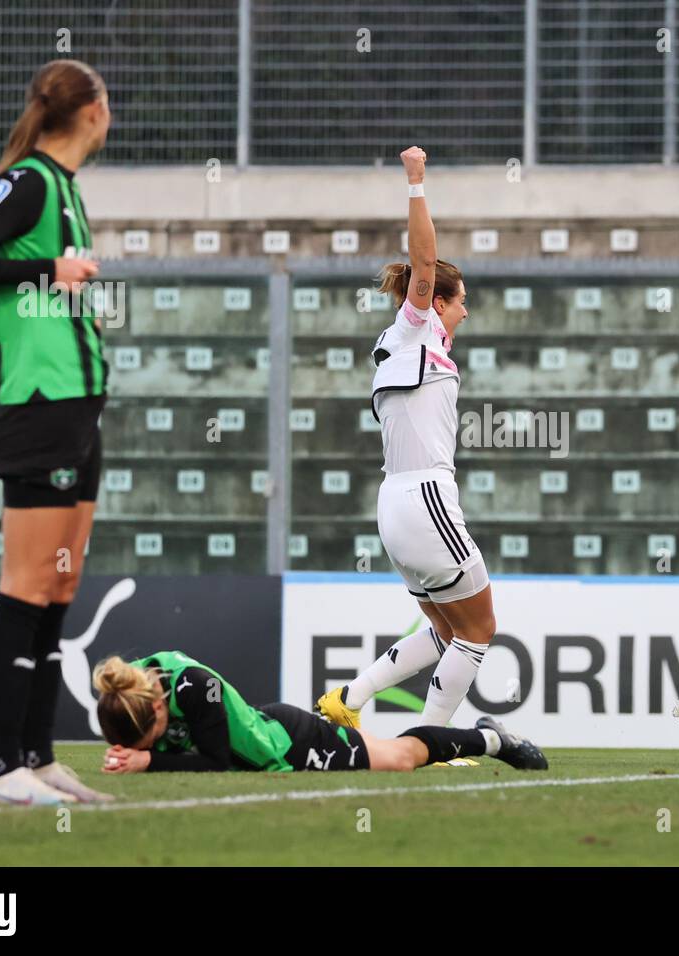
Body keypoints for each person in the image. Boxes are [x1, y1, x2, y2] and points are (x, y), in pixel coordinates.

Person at [0, 60, 111, 806]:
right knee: (26, 584)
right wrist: (50, 269)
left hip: (78, 405)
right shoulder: (31, 181)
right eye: (107, 102)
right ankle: (2, 767)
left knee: (60, 584)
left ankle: (37, 758)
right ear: (92, 113)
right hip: (37, 406)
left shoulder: (65, 187)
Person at [316, 146, 497, 731]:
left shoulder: (404, 344)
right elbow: (424, 261)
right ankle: (433, 738)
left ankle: (350, 698)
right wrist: (416, 182)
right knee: (478, 630)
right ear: (436, 303)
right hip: (424, 498)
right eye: (461, 301)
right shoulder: (417, 328)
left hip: (394, 502)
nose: (465, 313)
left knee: (446, 629)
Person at [95, 651, 547, 774]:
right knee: (394, 751)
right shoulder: (128, 689)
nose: (154, 742)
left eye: (153, 734)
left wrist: (149, 760)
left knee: (402, 759)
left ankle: (490, 738)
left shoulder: (197, 687)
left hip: (291, 746)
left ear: (159, 706)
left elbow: (215, 762)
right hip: (270, 726)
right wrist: (131, 751)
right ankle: (491, 737)